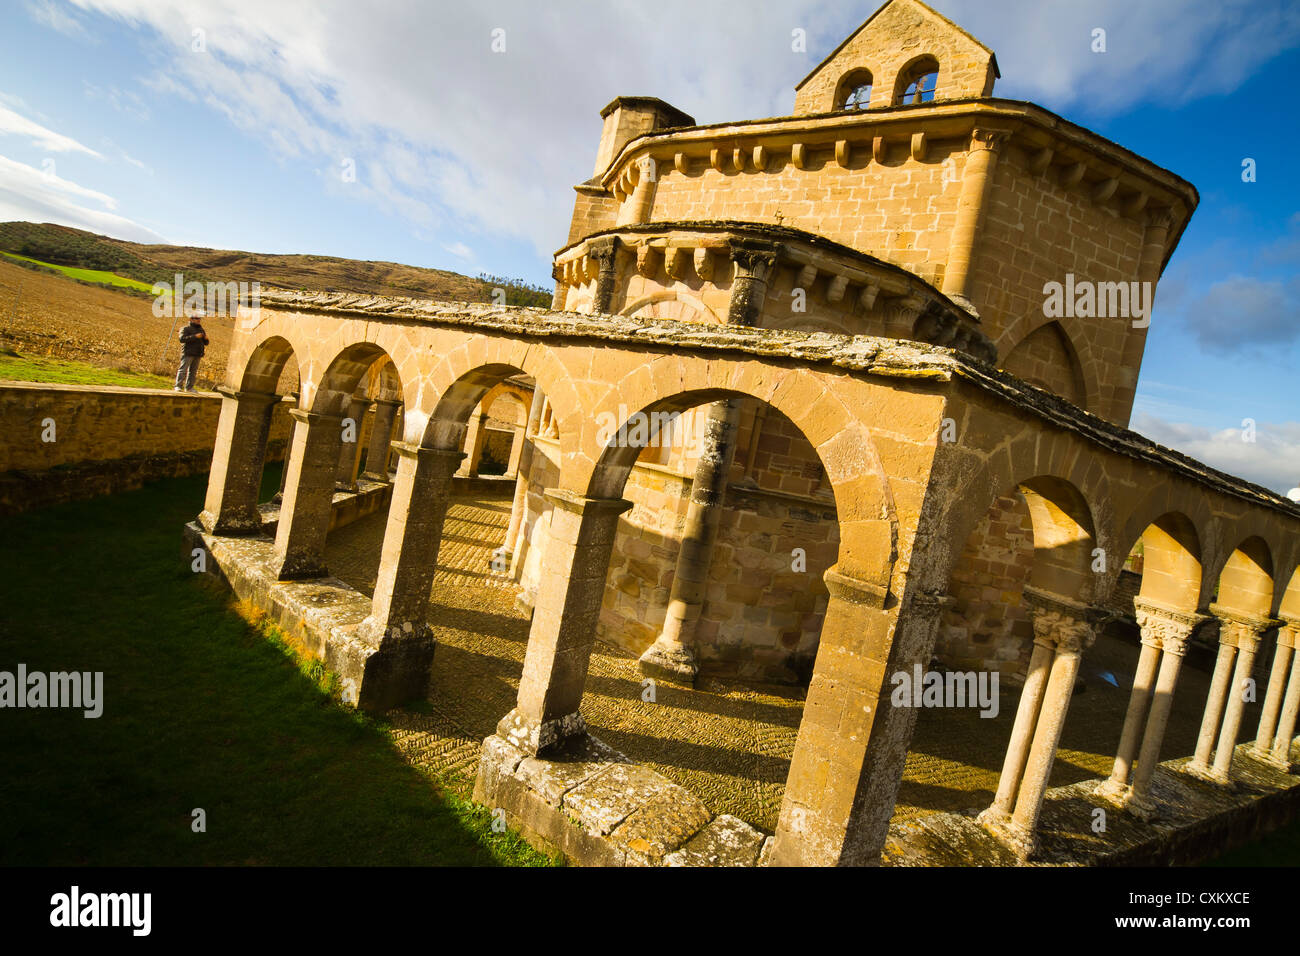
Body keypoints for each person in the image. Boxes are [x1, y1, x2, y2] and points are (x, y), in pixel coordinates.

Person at [174, 312, 210, 392]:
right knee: (183, 370)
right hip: (188, 352)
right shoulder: (185, 328)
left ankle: (189, 388)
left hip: (198, 353)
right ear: (191, 319)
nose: (199, 320)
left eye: (199, 318)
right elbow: (182, 339)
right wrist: (195, 336)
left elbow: (206, 343)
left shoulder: (201, 329)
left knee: (193, 372)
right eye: (197, 318)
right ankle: (178, 386)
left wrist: (206, 339)